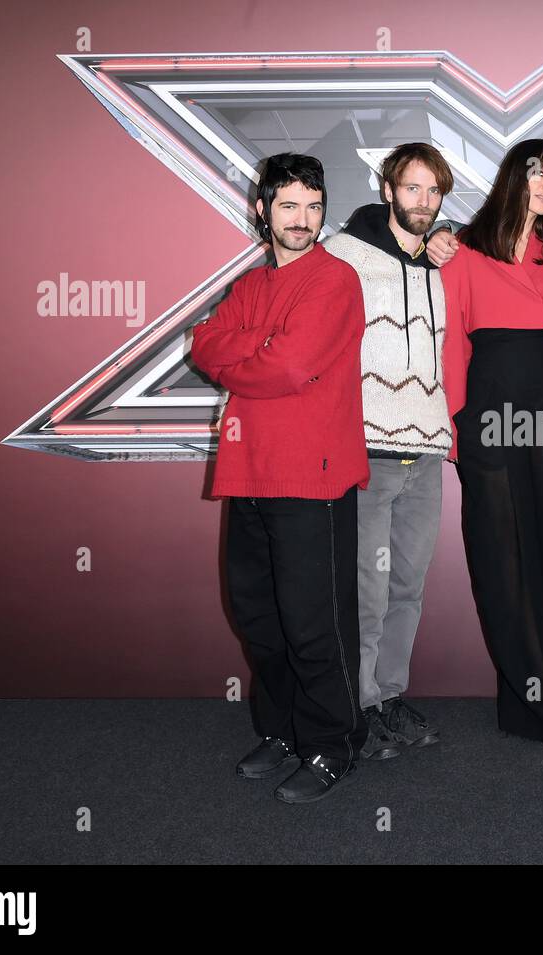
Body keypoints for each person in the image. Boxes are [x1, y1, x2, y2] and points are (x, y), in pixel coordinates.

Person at [190, 153, 369, 803]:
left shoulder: (335, 280)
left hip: (312, 478)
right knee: (259, 618)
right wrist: (252, 353)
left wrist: (248, 353)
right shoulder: (247, 287)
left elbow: (289, 367)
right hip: (248, 471)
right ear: (262, 210)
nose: (303, 219)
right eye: (289, 205)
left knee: (312, 622)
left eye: (313, 206)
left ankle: (332, 741)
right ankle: (283, 729)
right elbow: (203, 344)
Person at [440, 139, 543, 747]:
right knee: (501, 556)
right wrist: (456, 426)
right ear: (514, 176)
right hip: (489, 413)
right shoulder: (464, 251)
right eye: (540, 174)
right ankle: (541, 699)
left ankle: (532, 696)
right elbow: (453, 345)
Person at [323, 144, 454, 761]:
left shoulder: (440, 261)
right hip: (367, 453)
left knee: (407, 585)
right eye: (413, 189)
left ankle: (389, 696)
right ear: (388, 188)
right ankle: (360, 705)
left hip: (426, 453)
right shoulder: (343, 256)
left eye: (434, 192)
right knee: (366, 591)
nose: (424, 202)